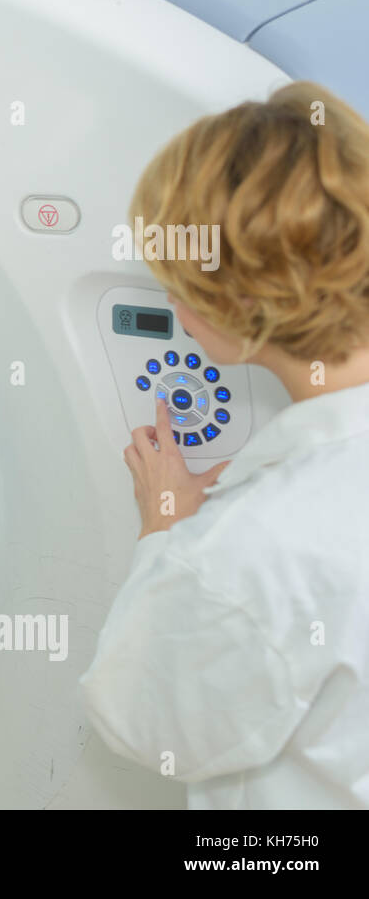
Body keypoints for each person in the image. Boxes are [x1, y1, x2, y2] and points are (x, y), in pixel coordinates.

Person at [81, 81, 369, 808]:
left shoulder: (255, 549)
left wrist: (167, 531)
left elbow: (137, 718)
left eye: (178, 287)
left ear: (242, 305)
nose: (173, 308)